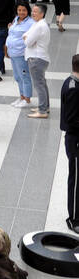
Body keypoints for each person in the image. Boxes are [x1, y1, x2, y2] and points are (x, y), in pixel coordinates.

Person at [24, 1, 51, 118]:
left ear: (42, 14)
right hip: (40, 58)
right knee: (42, 84)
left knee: (39, 85)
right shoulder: (38, 24)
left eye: (35, 11)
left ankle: (42, 111)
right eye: (33, 11)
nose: (33, 13)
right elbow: (25, 35)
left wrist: (27, 39)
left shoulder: (39, 26)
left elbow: (27, 42)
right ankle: (45, 106)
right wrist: (27, 38)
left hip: (36, 59)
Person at [62, 53, 79, 230]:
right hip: (75, 141)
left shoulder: (72, 82)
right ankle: (73, 219)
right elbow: (72, 120)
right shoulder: (73, 89)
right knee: (75, 180)